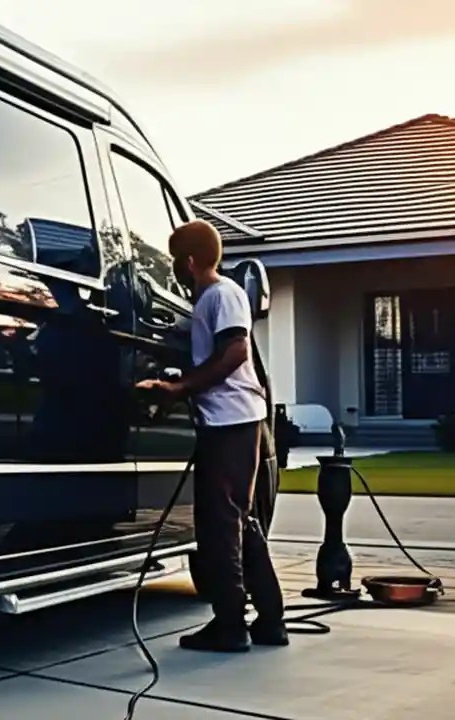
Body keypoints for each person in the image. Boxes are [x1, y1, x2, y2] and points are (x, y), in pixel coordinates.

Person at [136, 219, 288, 653]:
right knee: (241, 520)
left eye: (173, 262)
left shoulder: (221, 294)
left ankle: (230, 626)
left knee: (221, 526)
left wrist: (180, 388)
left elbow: (236, 350)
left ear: (188, 261)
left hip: (232, 423)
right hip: (231, 422)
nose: (173, 270)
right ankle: (270, 620)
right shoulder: (210, 299)